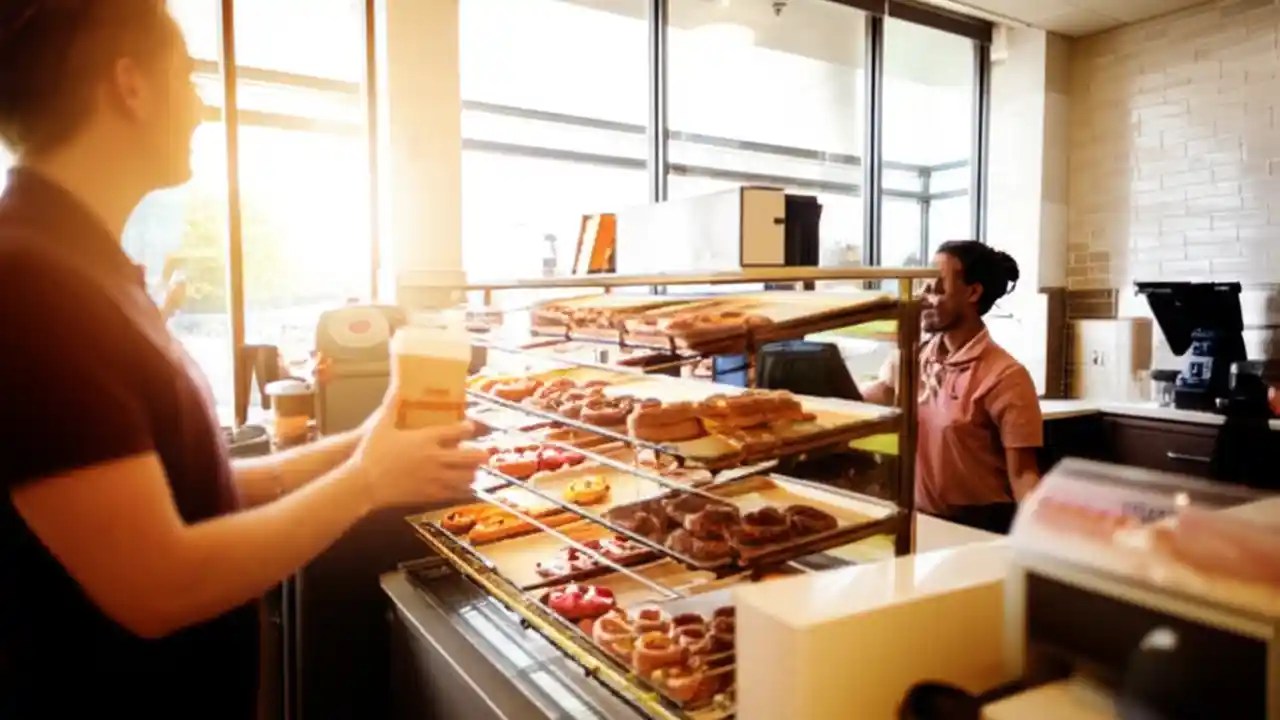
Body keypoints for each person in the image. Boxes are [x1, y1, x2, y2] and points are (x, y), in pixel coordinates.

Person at [0, 3, 487, 717]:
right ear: (130, 86)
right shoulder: (33, 282)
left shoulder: (82, 264)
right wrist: (366, 480)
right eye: (189, 78)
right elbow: (156, 584)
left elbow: (187, 486)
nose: (200, 108)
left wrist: (364, 441)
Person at [862, 241, 1042, 534]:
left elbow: (1023, 475)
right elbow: (882, 391)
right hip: (918, 521)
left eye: (937, 288)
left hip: (977, 529)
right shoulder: (916, 356)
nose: (924, 298)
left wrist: (1044, 540)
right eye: (924, 287)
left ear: (973, 292)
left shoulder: (1006, 377)